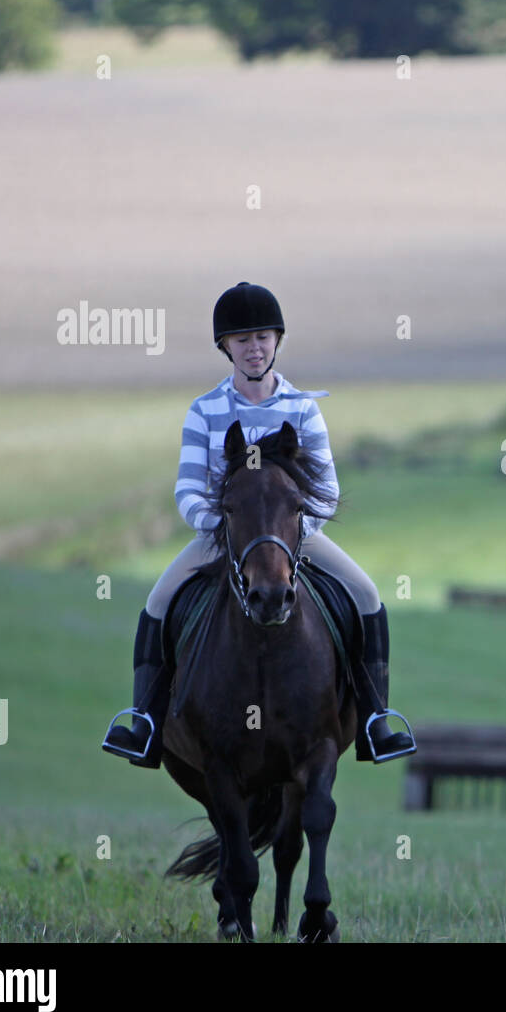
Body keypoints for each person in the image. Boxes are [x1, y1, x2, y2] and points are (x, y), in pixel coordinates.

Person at [101, 282, 415, 767]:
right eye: (242, 339)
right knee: (158, 602)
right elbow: (187, 489)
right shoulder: (204, 410)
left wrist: (288, 536)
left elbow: (326, 490)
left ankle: (376, 720)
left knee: (368, 595)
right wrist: (224, 530)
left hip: (297, 538)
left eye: (263, 337)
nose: (254, 348)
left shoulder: (303, 408)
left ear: (277, 341)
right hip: (223, 539)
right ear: (225, 346)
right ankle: (144, 722)